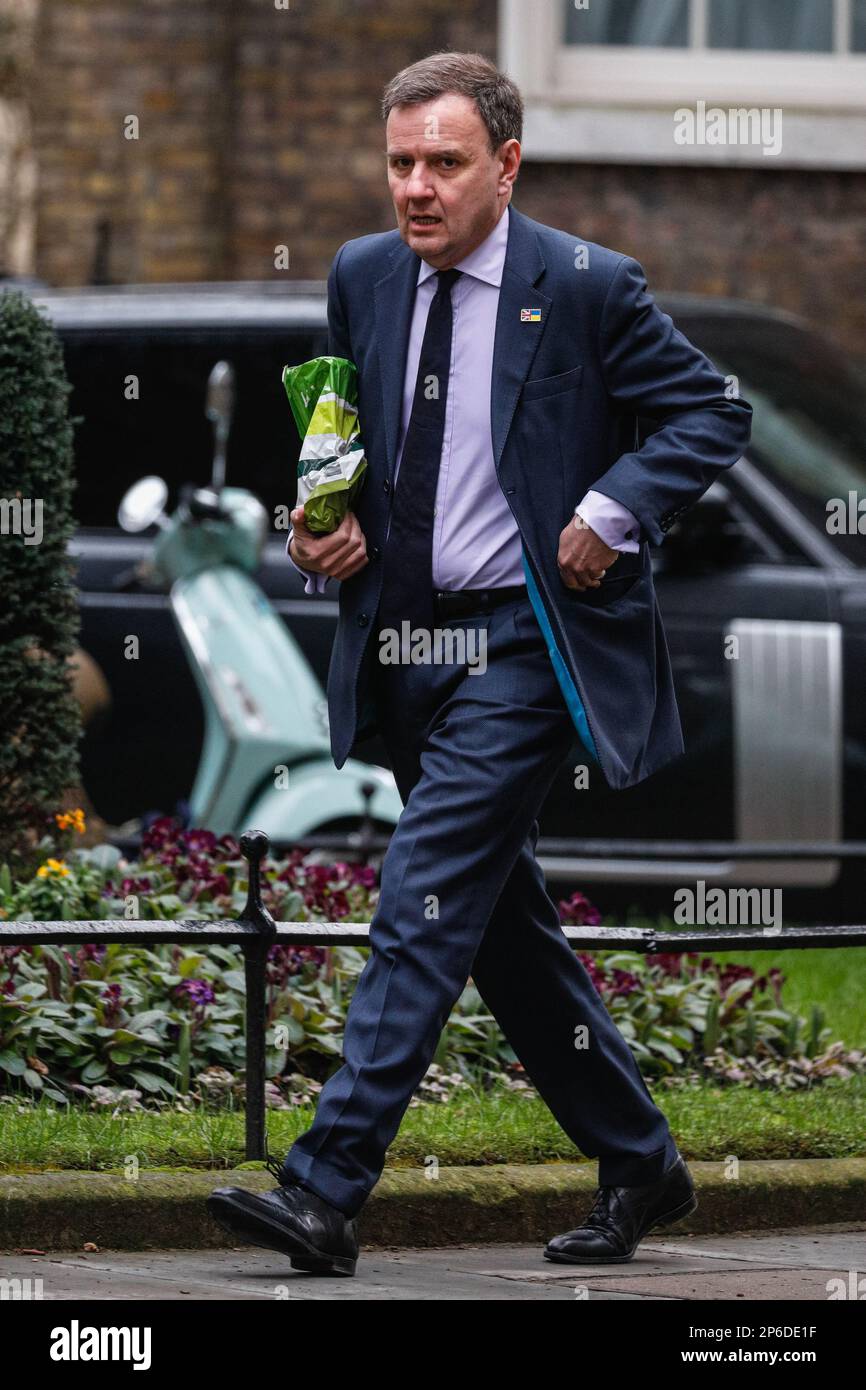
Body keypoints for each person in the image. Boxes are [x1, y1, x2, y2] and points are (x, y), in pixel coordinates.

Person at [207, 49, 751, 1278]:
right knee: (497, 930)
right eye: (399, 162)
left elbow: (711, 411)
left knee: (419, 895)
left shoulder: (586, 285)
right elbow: (336, 441)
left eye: (443, 163)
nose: (415, 187)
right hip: (401, 647)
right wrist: (315, 528)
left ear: (505, 167)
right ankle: (639, 1160)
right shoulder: (359, 276)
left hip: (522, 643)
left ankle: (324, 1185)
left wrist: (613, 509)